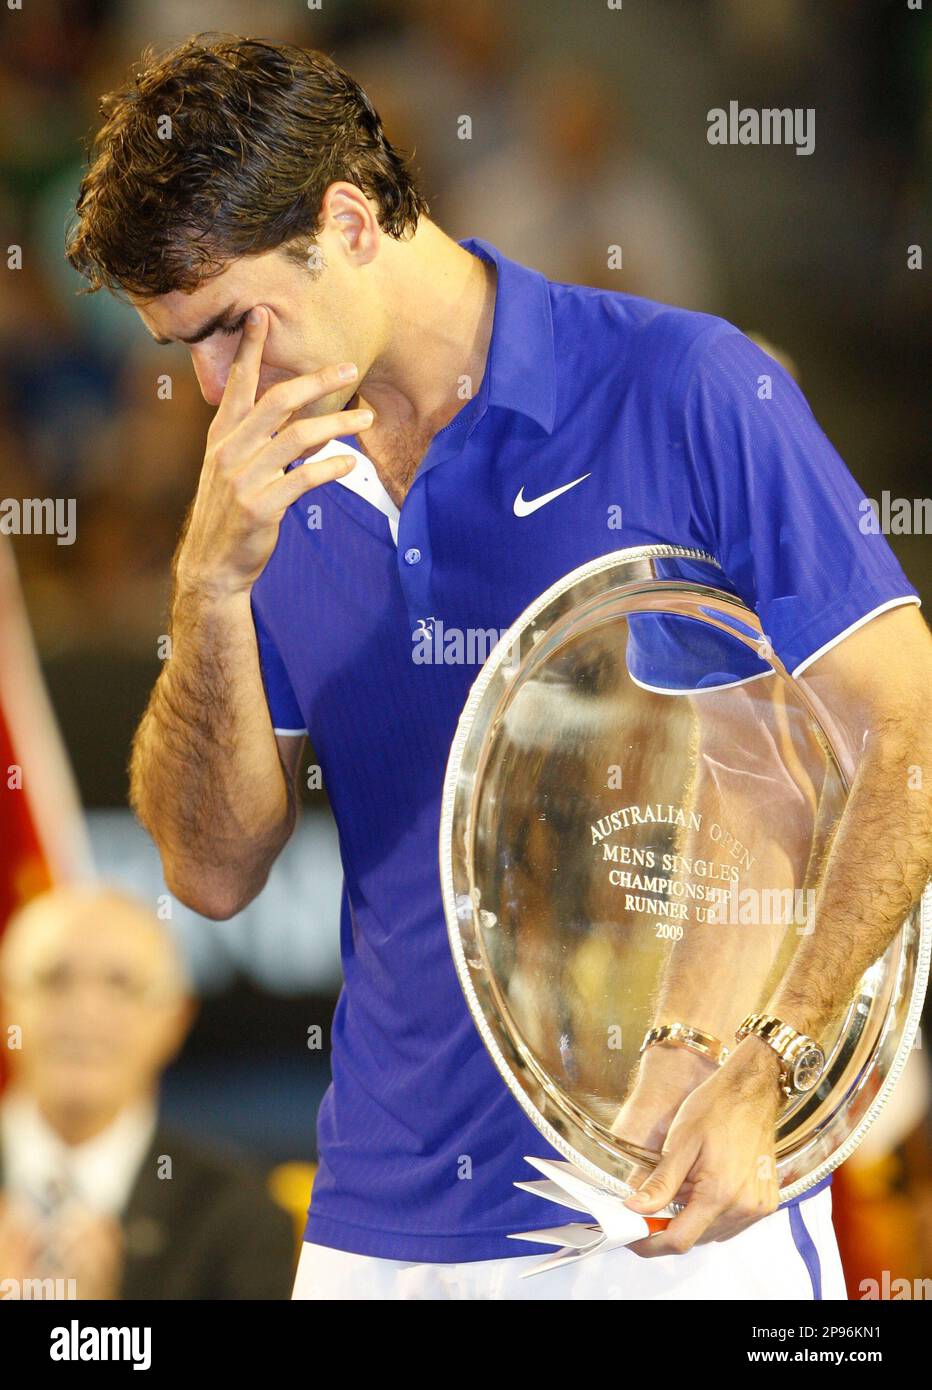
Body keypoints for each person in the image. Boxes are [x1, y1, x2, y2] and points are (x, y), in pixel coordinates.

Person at [64, 35, 932, 1300]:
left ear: (349, 224)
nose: (213, 387)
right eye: (181, 349)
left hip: (677, 1215)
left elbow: (906, 736)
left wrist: (775, 1057)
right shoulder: (258, 491)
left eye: (231, 325)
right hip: (377, 1223)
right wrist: (205, 590)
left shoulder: (684, 385)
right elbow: (208, 873)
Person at [0, 885, 295, 1299]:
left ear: (174, 1020)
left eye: (121, 985)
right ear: (5, 1004)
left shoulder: (241, 1217)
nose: (85, 1014)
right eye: (54, 980)